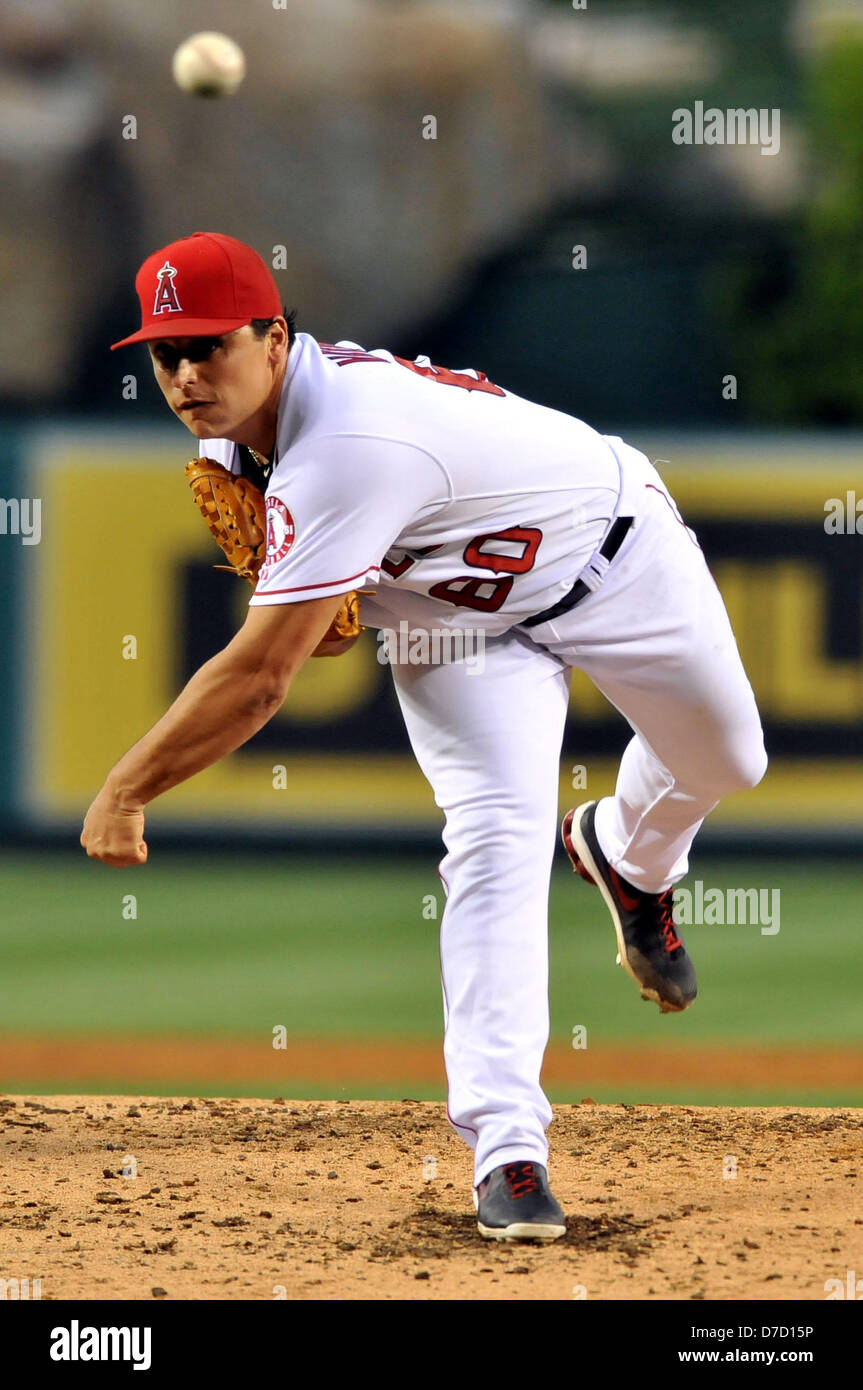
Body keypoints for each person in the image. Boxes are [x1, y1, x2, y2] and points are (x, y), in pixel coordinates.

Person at [82, 231, 767, 1243]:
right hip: (451, 621)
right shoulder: (234, 444)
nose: (186, 375)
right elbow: (315, 625)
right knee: (491, 843)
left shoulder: (345, 445)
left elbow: (262, 679)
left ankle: (628, 855)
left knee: (729, 759)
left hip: (611, 555)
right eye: (165, 353)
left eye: (209, 346)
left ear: (274, 339)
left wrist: (127, 786)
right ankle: (507, 1149)